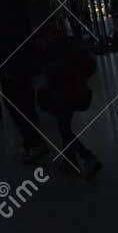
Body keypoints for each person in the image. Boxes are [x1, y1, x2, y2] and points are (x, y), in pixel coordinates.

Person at [0, 0, 51, 162]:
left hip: (14, 70)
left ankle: (33, 142)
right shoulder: (26, 20)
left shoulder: (11, 22)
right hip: (25, 70)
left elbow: (9, 46)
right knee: (26, 106)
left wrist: (8, 68)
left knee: (17, 106)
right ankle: (31, 142)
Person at [37, 29, 102, 177]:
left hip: (62, 95)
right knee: (64, 126)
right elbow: (89, 65)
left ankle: (87, 156)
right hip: (76, 92)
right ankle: (70, 160)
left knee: (64, 129)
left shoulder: (51, 54)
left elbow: (51, 76)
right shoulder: (70, 46)